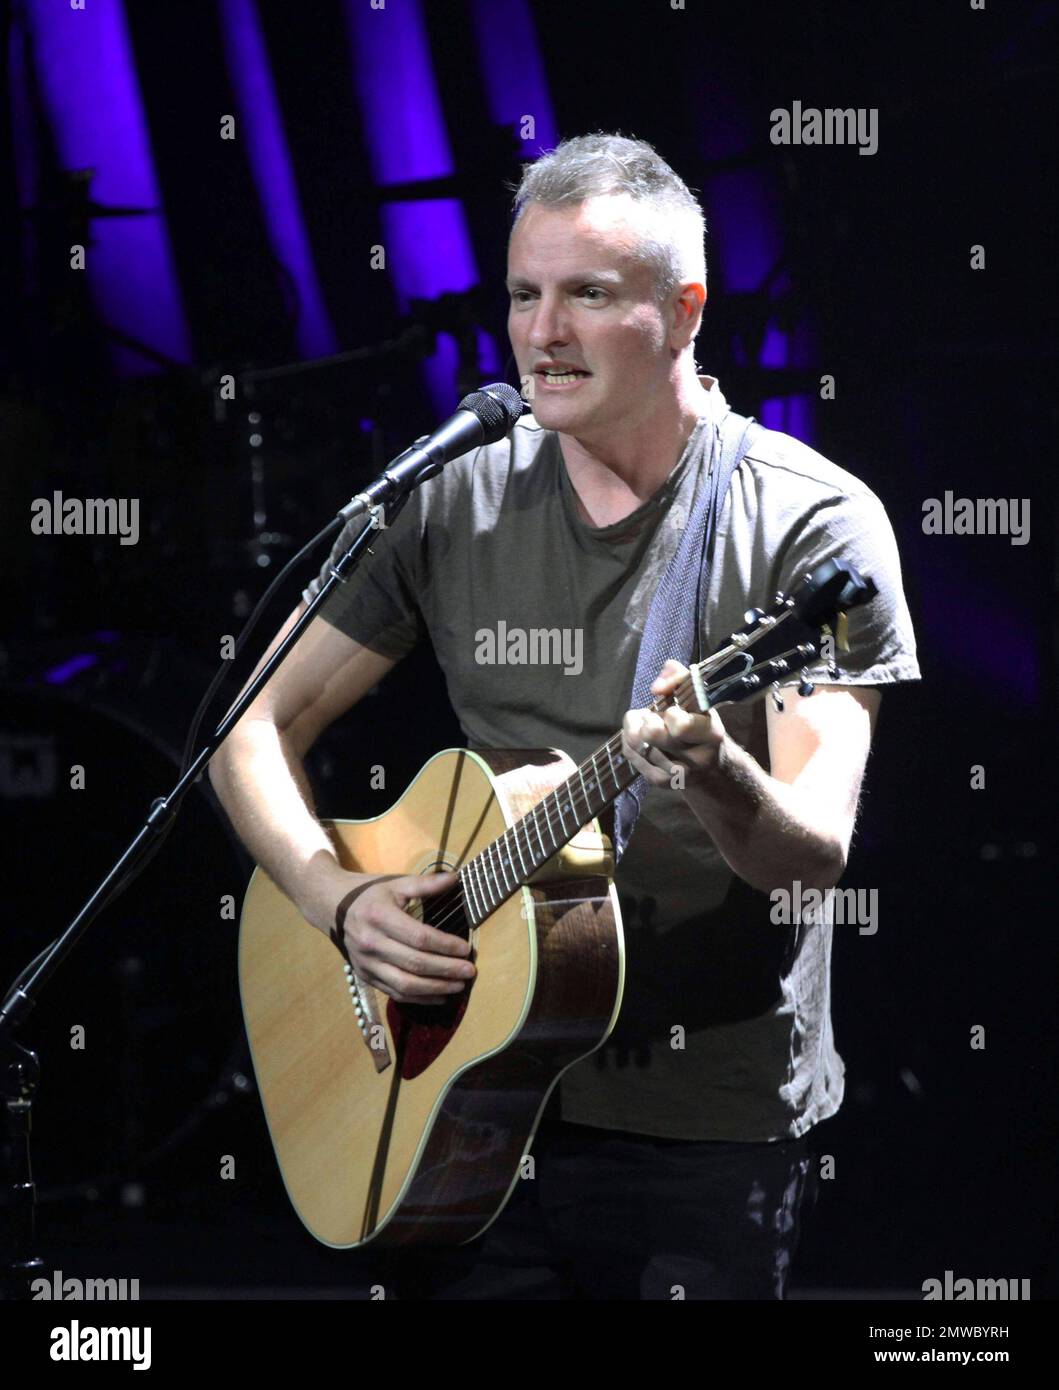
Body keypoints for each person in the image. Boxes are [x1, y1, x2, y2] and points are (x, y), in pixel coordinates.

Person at [208, 133, 921, 1299]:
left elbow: (815, 852)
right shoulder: (456, 492)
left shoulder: (812, 527)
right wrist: (335, 898)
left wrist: (714, 771)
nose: (542, 333)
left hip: (695, 1129)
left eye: (589, 294)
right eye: (525, 295)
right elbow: (248, 728)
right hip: (450, 1095)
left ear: (686, 310)